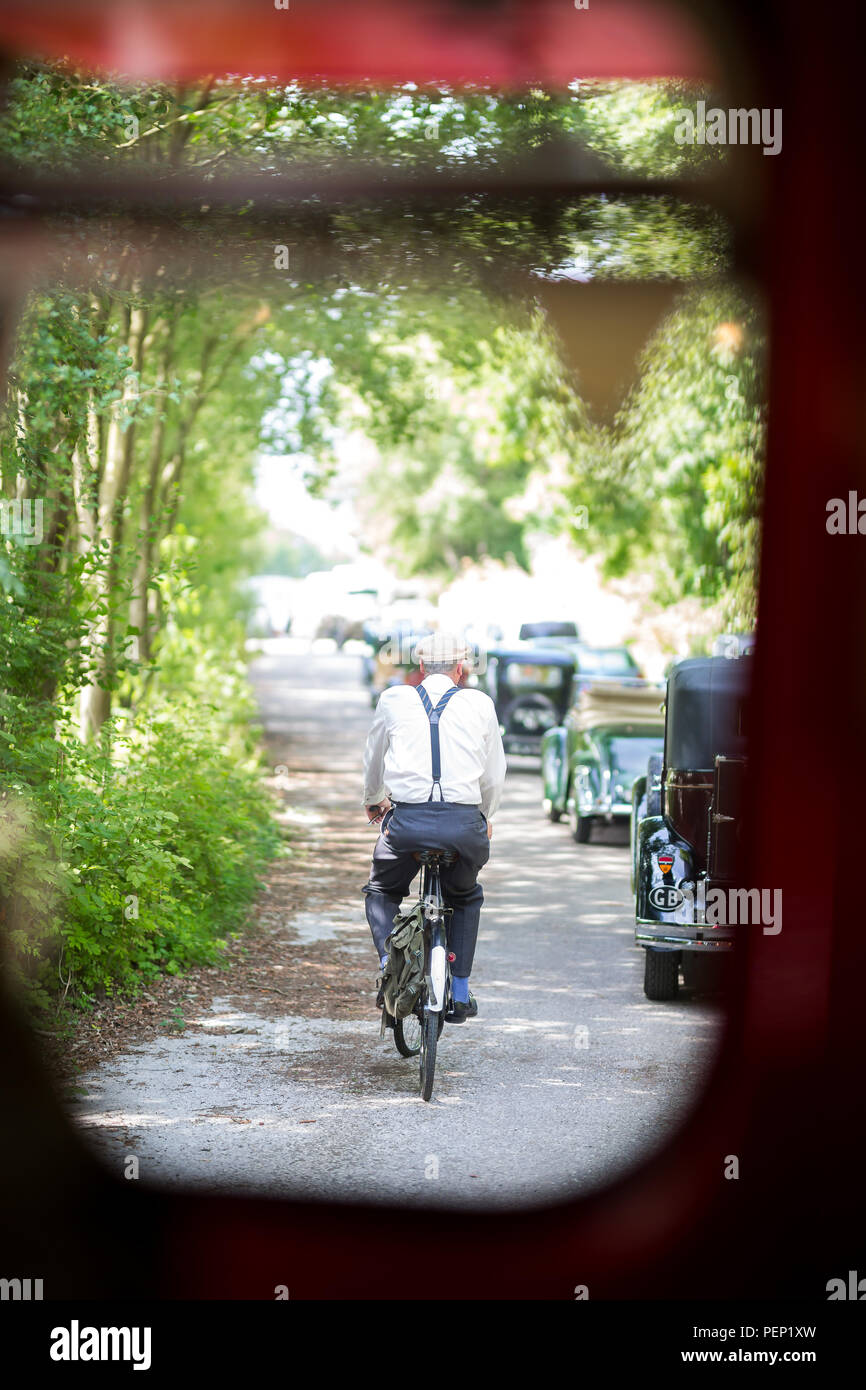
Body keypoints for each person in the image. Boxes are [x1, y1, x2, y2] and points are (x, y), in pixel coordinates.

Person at [361, 631, 506, 1023]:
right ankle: (459, 990)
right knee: (464, 897)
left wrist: (373, 798)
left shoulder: (393, 698)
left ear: (421, 667)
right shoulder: (480, 703)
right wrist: (485, 816)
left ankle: (392, 969)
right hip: (464, 827)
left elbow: (375, 755)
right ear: (461, 669)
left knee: (382, 890)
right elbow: (493, 775)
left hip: (407, 825)